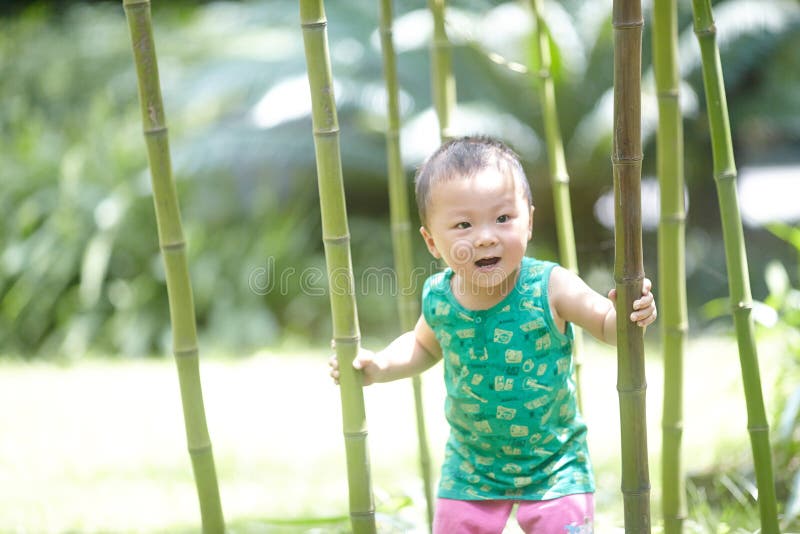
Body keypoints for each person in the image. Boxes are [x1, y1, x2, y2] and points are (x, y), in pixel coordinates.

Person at [329, 136, 656, 534]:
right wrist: (379, 366)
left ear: (528, 222)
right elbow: (421, 345)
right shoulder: (440, 298)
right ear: (432, 241)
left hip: (553, 463)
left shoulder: (550, 285)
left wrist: (629, 312)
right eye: (464, 225)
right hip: (471, 467)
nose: (485, 236)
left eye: (503, 218)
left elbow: (606, 323)